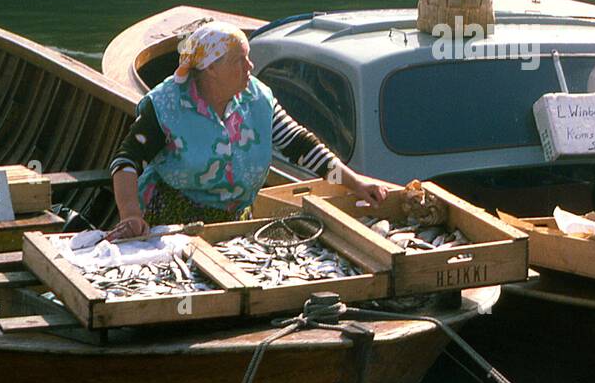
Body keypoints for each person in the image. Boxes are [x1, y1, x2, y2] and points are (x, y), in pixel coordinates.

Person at [106, 22, 391, 238]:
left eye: (248, 57)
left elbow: (300, 145)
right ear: (211, 69)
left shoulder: (256, 97)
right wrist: (130, 214)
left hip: (236, 220)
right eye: (239, 60)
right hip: (171, 222)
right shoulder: (168, 104)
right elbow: (127, 161)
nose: (250, 67)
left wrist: (356, 183)